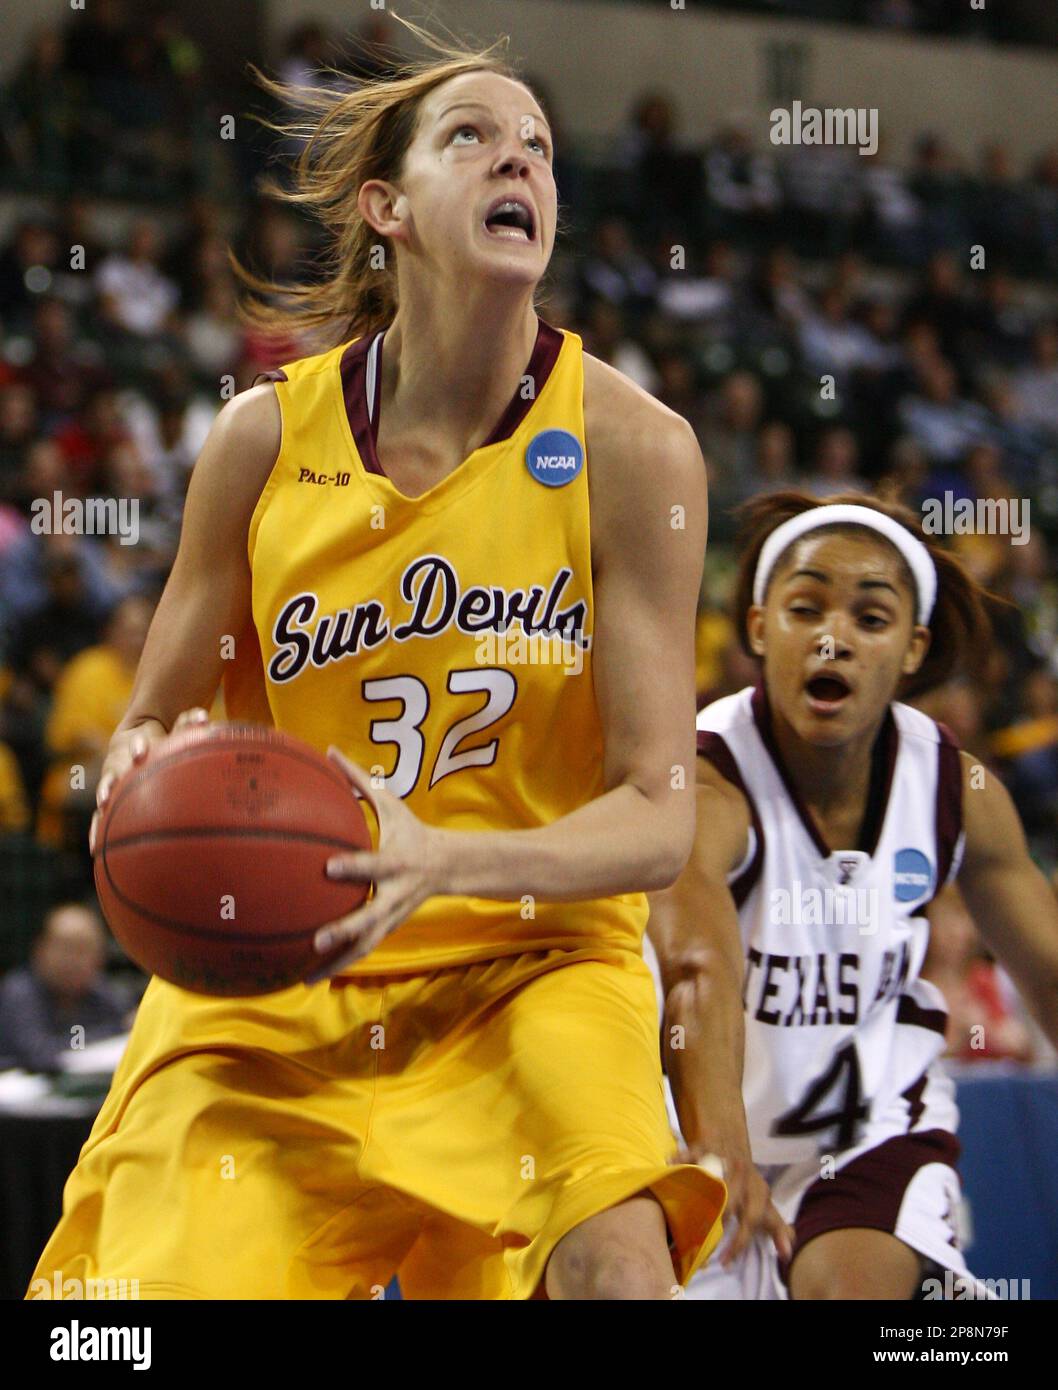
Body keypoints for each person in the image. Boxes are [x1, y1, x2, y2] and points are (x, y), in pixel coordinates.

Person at [30, 30, 723, 1301]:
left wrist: (443, 860)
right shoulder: (258, 442)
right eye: (472, 133)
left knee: (620, 1274)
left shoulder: (637, 452)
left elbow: (654, 819)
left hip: (532, 963)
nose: (518, 153)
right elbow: (151, 717)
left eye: (539, 147)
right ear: (385, 208)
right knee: (108, 1328)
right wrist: (136, 769)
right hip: (283, 965)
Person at [647, 491, 1058, 1299]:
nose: (834, 636)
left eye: (871, 620)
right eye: (807, 609)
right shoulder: (703, 779)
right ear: (761, 629)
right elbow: (697, 969)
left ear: (913, 648)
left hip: (870, 1138)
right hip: (691, 1129)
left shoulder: (957, 788)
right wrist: (721, 1147)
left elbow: (1048, 976)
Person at [0, 905, 129, 1074]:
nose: (74, 960)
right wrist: (113, 1031)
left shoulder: (100, 992)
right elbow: (39, 1055)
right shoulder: (19, 992)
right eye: (66, 948)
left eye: (84, 950)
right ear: (41, 949)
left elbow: (127, 1029)